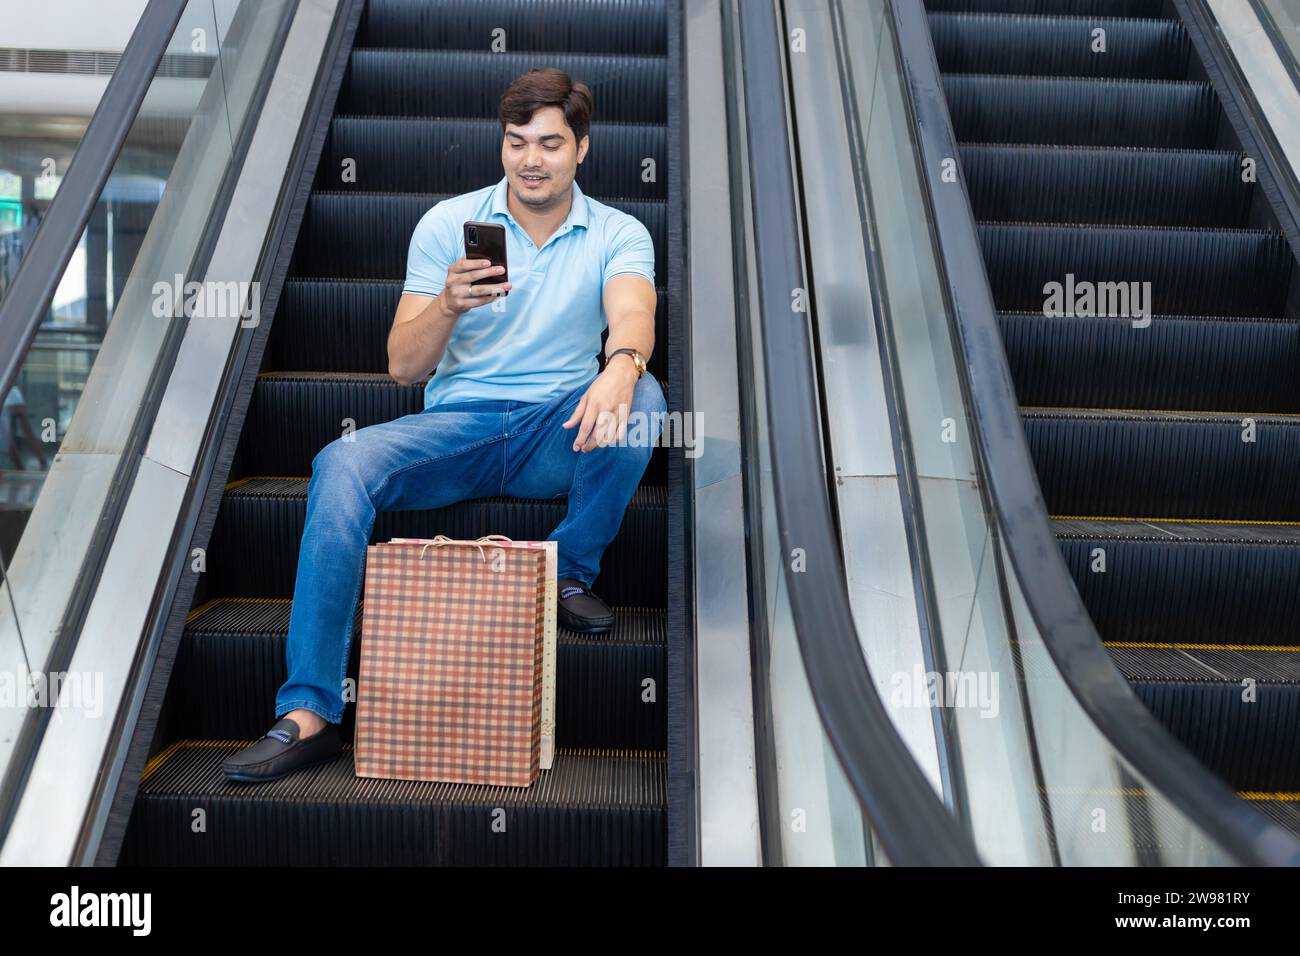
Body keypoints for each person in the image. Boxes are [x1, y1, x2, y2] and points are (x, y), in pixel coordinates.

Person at [224, 68, 665, 782]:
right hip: (456, 431)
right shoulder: (445, 226)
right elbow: (403, 366)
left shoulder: (618, 232)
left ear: (581, 148)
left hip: (558, 430)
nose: (531, 159)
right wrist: (448, 306)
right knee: (340, 464)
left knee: (645, 403)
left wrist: (623, 363)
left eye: (550, 143)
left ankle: (567, 569)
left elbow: (634, 310)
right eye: (517, 141)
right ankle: (309, 710)